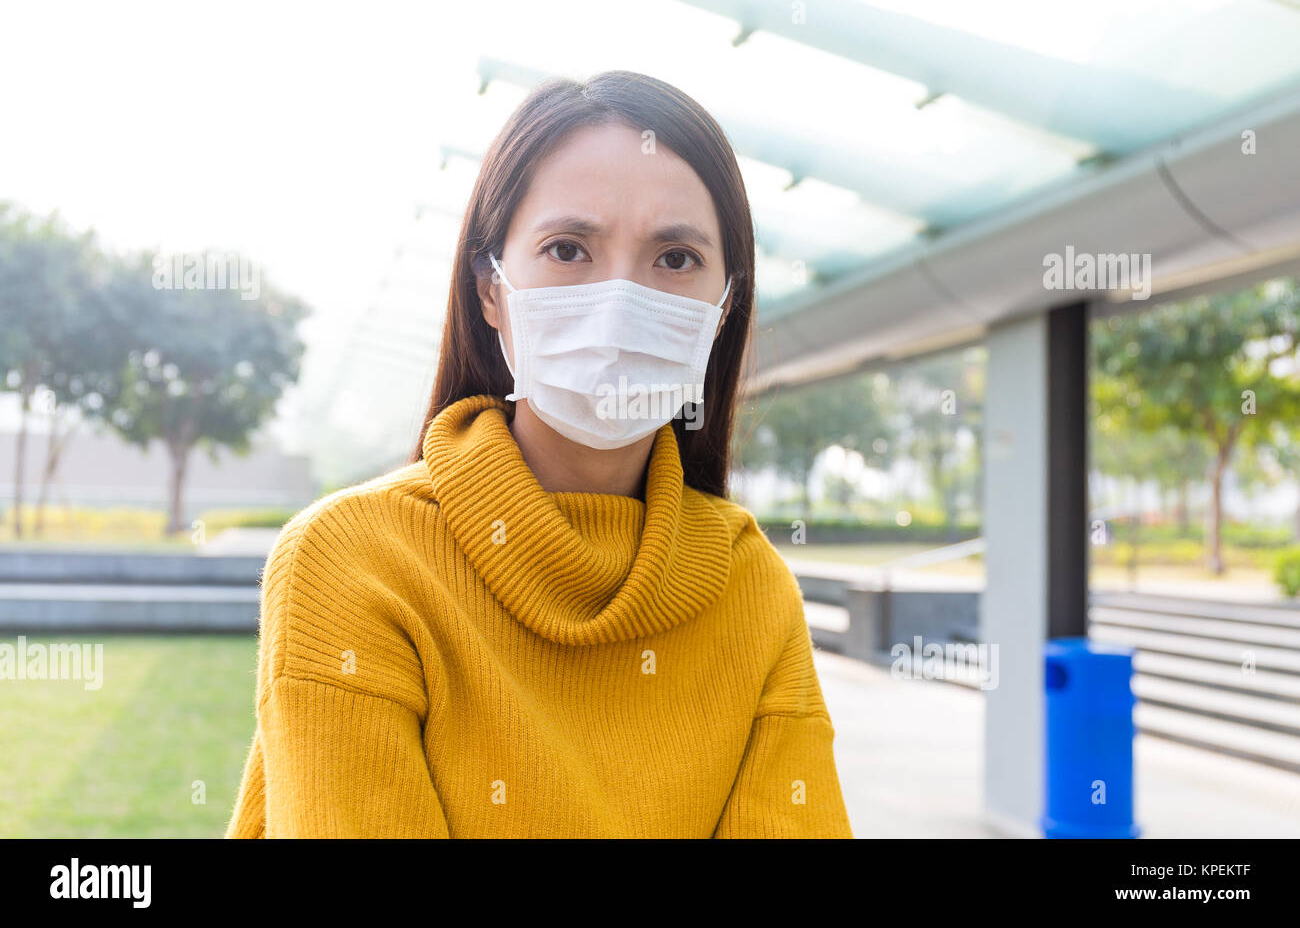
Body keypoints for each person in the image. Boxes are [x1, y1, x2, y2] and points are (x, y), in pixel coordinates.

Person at [225, 69, 853, 838]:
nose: (619, 300)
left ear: (725, 309)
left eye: (677, 258)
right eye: (568, 249)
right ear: (491, 289)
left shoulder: (753, 586)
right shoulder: (352, 563)